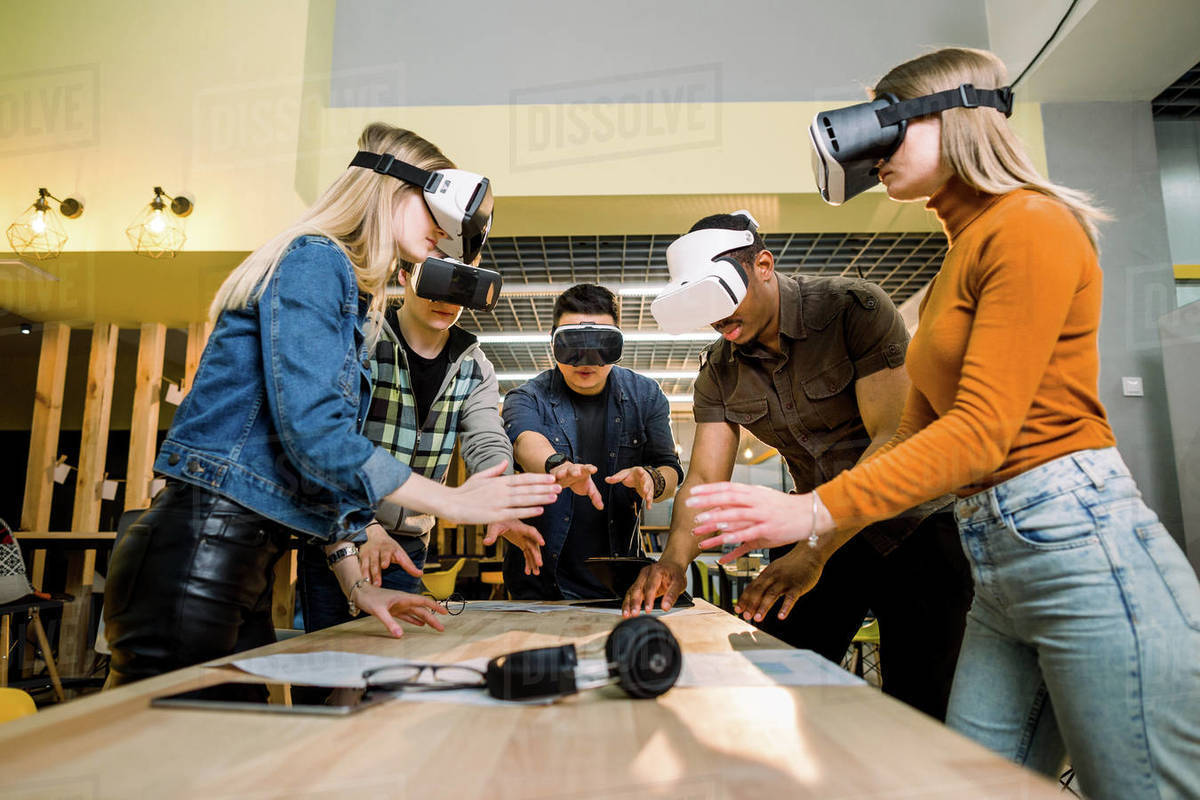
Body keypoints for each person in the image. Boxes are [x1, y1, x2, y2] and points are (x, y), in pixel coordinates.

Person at [685, 48, 1200, 800]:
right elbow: (910, 434)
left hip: (1076, 538)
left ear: (955, 118)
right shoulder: (957, 260)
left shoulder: (1030, 224)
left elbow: (981, 431)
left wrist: (812, 509)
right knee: (963, 782)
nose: (875, 153)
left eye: (888, 126)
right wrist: (816, 541)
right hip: (996, 554)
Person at [103, 123, 559, 685]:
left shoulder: (353, 291)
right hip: (200, 548)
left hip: (240, 555)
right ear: (393, 190)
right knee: (165, 736)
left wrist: (357, 584)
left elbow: (315, 465)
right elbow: (317, 432)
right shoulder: (318, 259)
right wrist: (450, 501)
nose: (444, 235)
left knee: (232, 729)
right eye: (436, 214)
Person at [623, 211, 972, 721]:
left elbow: (893, 438)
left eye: (724, 296)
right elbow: (703, 479)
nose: (717, 320)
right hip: (815, 531)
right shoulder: (719, 372)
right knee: (779, 681)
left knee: (921, 704)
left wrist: (812, 548)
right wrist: (673, 562)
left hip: (914, 527)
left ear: (763, 265)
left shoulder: (851, 309)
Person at [297, 255, 546, 631]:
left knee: (394, 653)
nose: (445, 300)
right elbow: (331, 440)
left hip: (410, 543)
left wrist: (499, 503)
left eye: (459, 288)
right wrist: (364, 526)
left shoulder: (474, 366)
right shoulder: (363, 338)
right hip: (341, 529)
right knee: (331, 653)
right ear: (404, 275)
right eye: (435, 281)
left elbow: (486, 438)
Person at [500, 283, 683, 600]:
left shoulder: (646, 396)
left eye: (600, 344)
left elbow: (670, 471)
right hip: (539, 584)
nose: (586, 359)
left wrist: (651, 479)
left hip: (619, 584)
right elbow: (525, 441)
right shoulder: (526, 397)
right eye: (573, 344)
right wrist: (557, 466)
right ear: (553, 341)